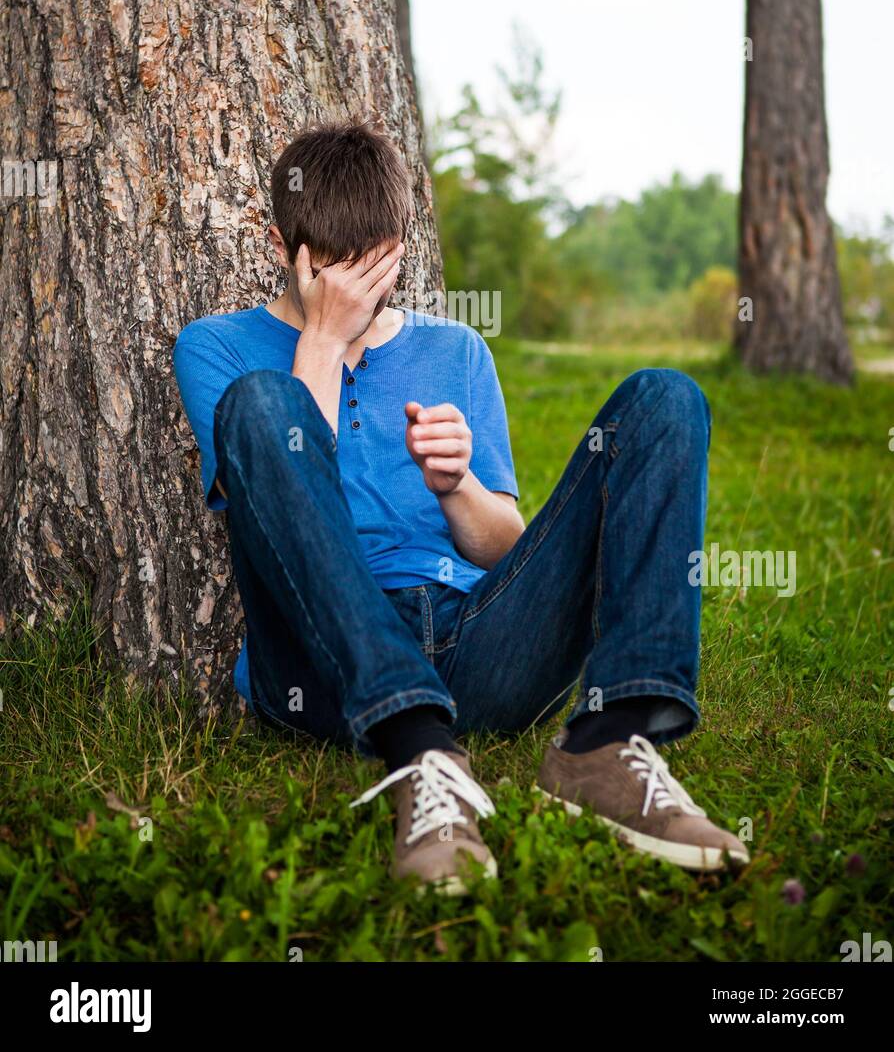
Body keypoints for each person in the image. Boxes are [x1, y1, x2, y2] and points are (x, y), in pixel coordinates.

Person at [173, 121, 749, 895]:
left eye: (374, 270)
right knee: (260, 400)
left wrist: (457, 487)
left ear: (400, 248)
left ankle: (610, 742)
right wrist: (323, 339)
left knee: (664, 400)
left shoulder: (457, 351)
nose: (357, 295)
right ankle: (419, 752)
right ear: (283, 248)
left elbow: (504, 549)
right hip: (321, 663)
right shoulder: (217, 347)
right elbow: (285, 500)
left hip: (477, 646)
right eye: (334, 274)